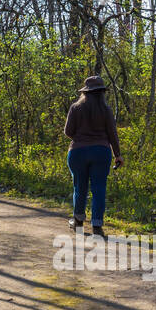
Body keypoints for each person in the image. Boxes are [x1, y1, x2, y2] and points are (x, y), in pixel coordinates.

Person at [63, 75, 123, 237]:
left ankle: (78, 222)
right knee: (99, 189)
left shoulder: (75, 108)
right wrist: (117, 155)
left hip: (78, 152)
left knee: (79, 187)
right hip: (101, 152)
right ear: (102, 93)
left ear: (85, 92)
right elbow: (112, 135)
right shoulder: (106, 110)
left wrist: (81, 137)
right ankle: (97, 226)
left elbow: (68, 132)